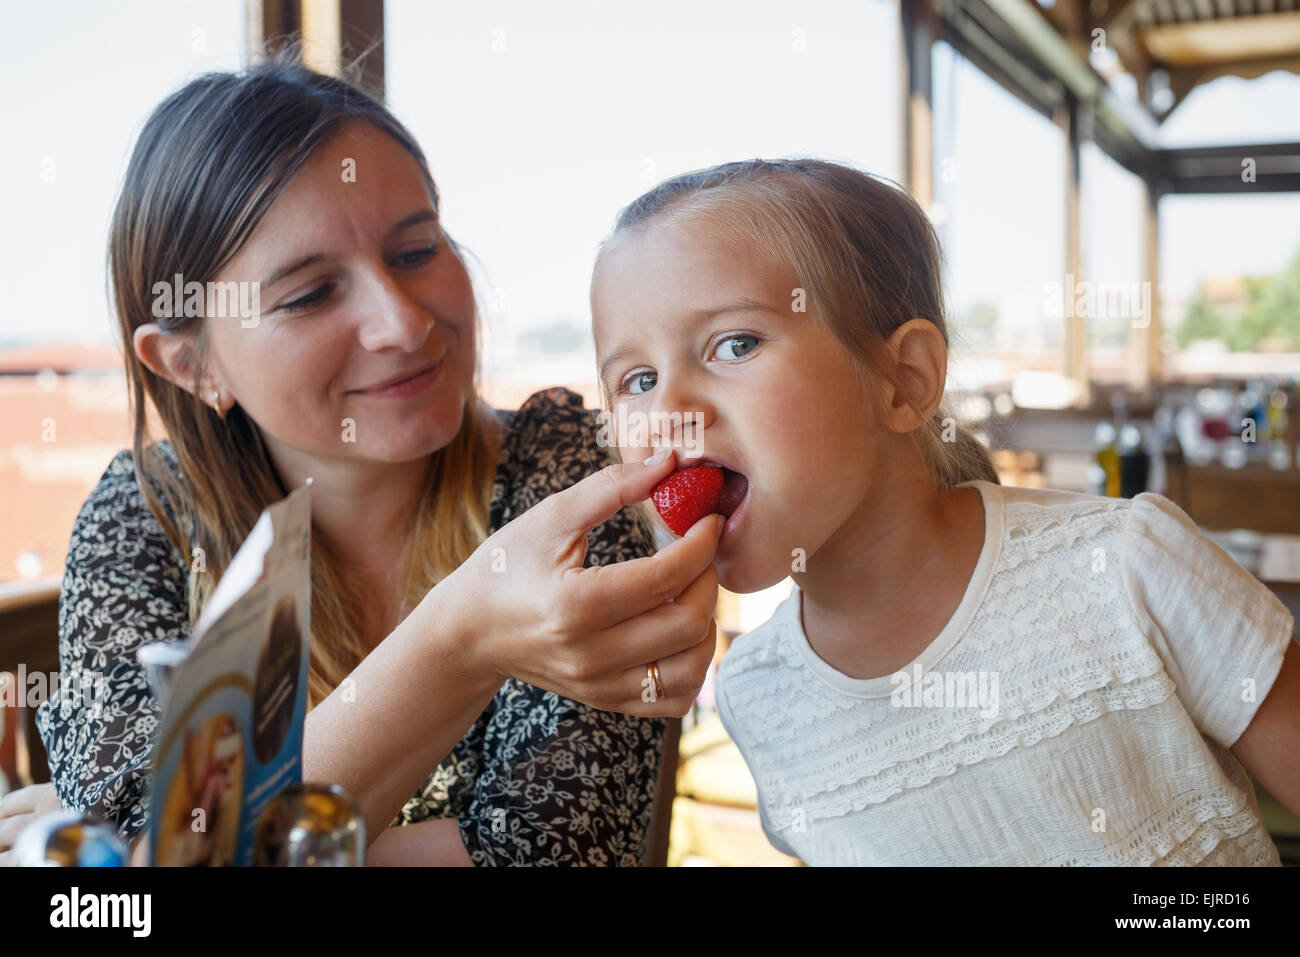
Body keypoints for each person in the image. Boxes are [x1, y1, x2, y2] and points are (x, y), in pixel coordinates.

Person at [0, 57, 723, 867]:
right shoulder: (150, 513)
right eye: (309, 294)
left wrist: (185, 836)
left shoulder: (564, 468)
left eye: (415, 251)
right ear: (189, 365)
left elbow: (557, 852)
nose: (404, 323)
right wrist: (461, 640)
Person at [589, 157, 1300, 865]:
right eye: (638, 379)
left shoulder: (1126, 568)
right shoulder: (758, 695)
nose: (668, 413)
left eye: (735, 343)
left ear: (905, 381)